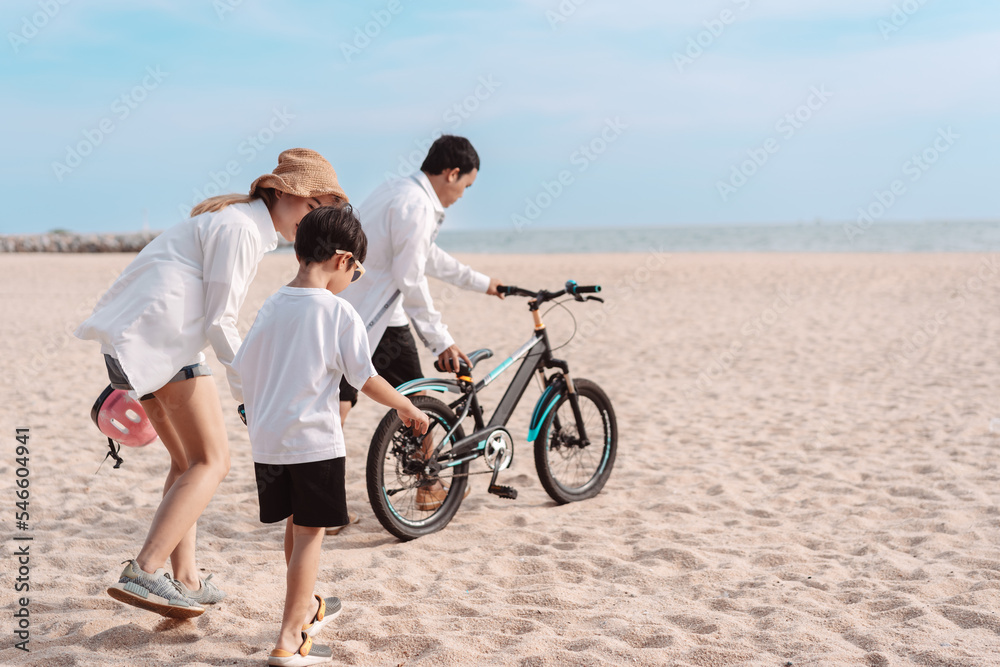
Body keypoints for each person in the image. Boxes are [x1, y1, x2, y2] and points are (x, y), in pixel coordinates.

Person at [75, 148, 348, 618]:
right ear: (281, 193)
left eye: (321, 212)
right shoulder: (242, 229)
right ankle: (146, 568)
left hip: (147, 341)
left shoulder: (240, 223)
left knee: (187, 463)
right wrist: (249, 394)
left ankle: (185, 579)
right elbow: (223, 321)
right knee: (213, 461)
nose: (313, 219)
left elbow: (213, 316)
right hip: (160, 342)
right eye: (311, 206)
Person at [233, 204, 428, 665]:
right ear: (342, 259)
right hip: (314, 443)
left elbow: (245, 369)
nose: (353, 279)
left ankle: (303, 611)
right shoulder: (338, 313)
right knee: (311, 535)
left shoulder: (273, 303)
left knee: (295, 527)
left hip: (268, 442)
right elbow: (365, 377)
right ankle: (287, 639)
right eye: (357, 271)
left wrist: (252, 411)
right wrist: (404, 403)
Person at [335, 135, 506, 516]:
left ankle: (426, 487)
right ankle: (420, 487)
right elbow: (410, 277)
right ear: (452, 173)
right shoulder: (415, 205)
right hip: (365, 316)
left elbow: (428, 256)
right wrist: (441, 342)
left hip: (370, 312)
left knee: (359, 401)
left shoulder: (398, 189)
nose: (463, 194)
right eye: (466, 185)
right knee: (375, 404)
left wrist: (483, 283)